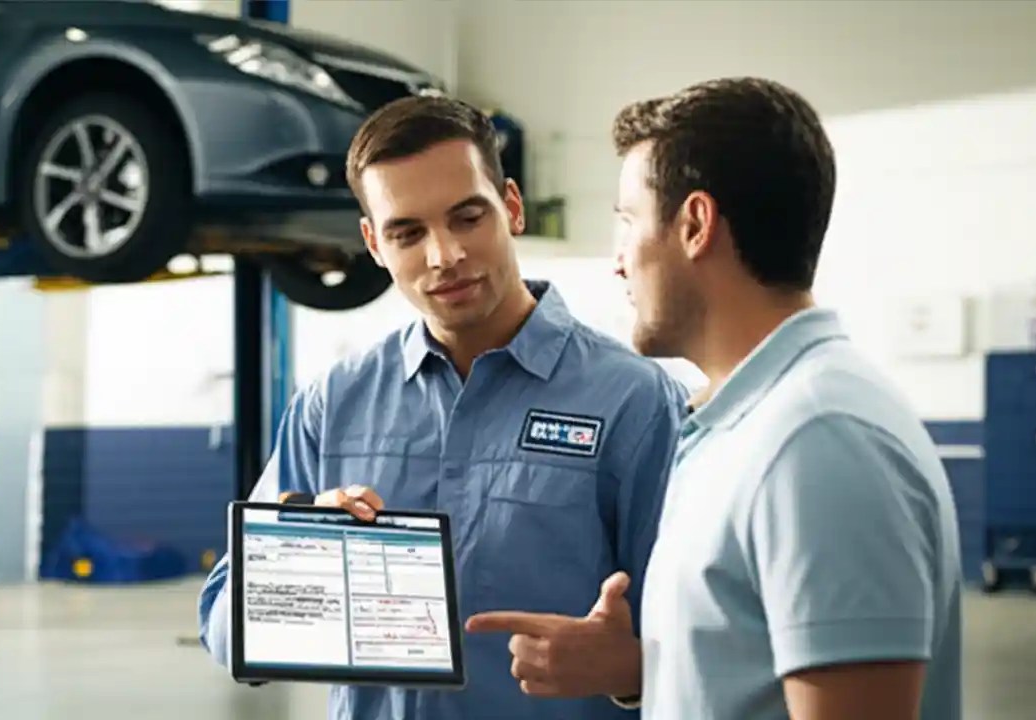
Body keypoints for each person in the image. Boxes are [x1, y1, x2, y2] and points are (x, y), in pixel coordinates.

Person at [466, 77, 964, 720]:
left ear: (695, 224)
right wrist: (641, 669)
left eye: (627, 222)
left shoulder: (818, 442)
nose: (617, 260)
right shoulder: (746, 424)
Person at [196, 95, 687, 720]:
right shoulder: (333, 404)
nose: (443, 255)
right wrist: (304, 560)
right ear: (374, 244)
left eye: (467, 218)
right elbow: (222, 622)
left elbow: (703, 648)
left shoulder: (634, 403)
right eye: (408, 232)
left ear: (511, 207)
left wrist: (632, 669)